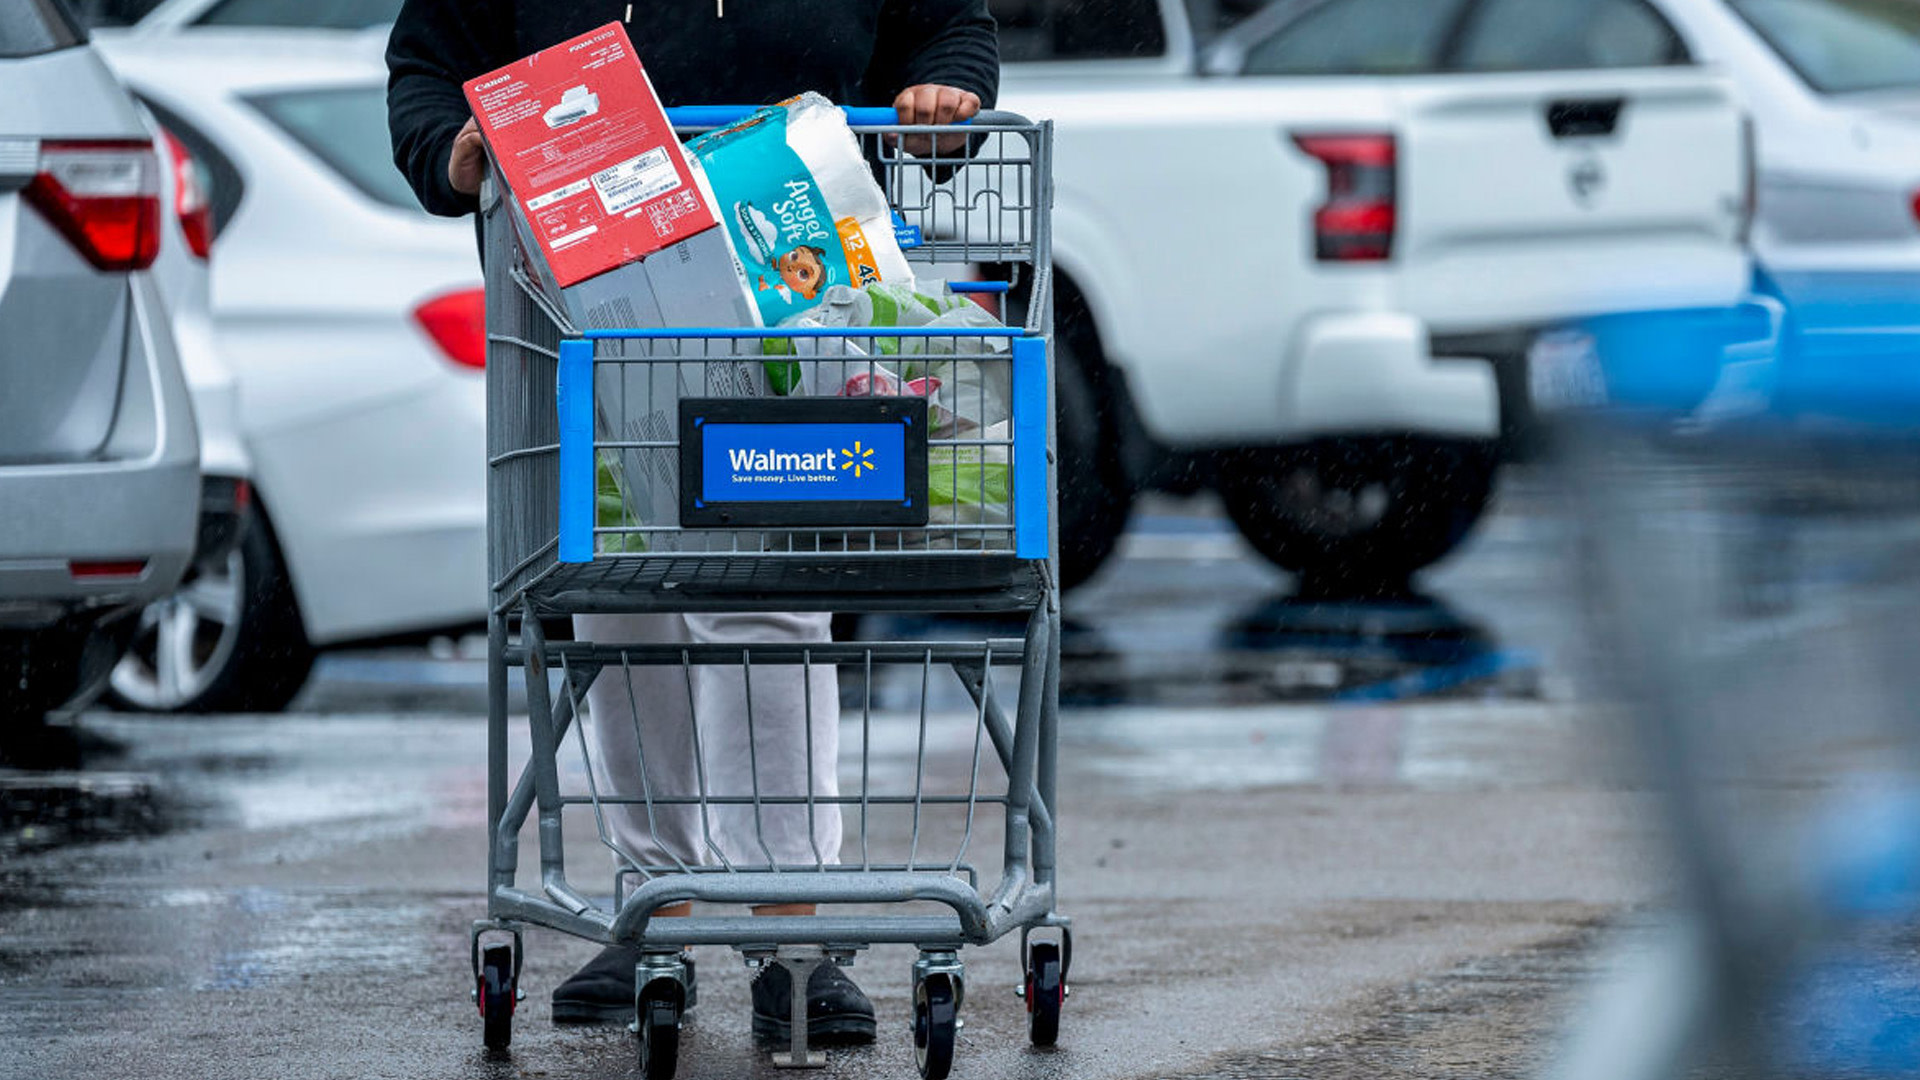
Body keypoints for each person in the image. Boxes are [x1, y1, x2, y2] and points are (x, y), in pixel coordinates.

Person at [385, 0, 998, 1047]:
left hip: (791, 278)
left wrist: (945, 99)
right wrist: (455, 151)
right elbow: (429, 63)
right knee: (626, 602)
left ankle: (791, 923)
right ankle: (656, 898)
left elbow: (946, 24)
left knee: (774, 599)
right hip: (589, 292)